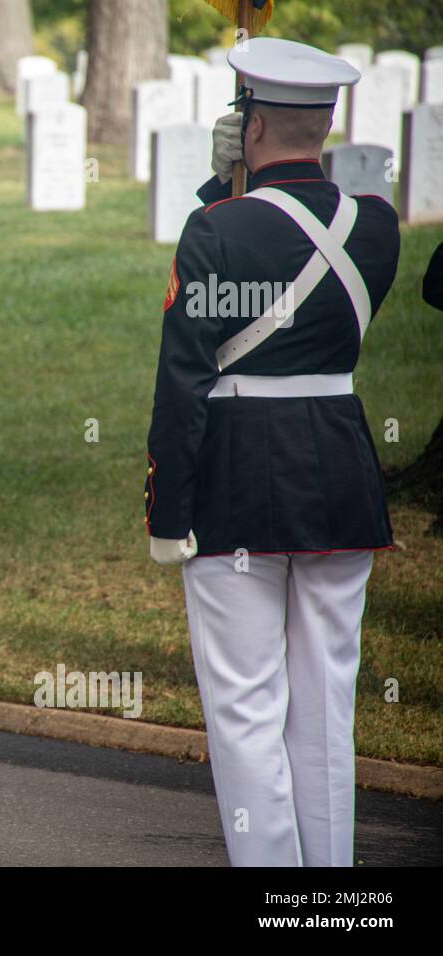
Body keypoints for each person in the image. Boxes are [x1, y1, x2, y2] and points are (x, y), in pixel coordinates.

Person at [143, 38, 400, 866]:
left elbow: (184, 381)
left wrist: (167, 509)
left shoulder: (214, 227)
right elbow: (295, 251)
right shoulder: (378, 226)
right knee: (328, 704)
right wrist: (238, 186)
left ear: (247, 127)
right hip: (341, 473)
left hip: (237, 479)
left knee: (246, 707)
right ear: (327, 123)